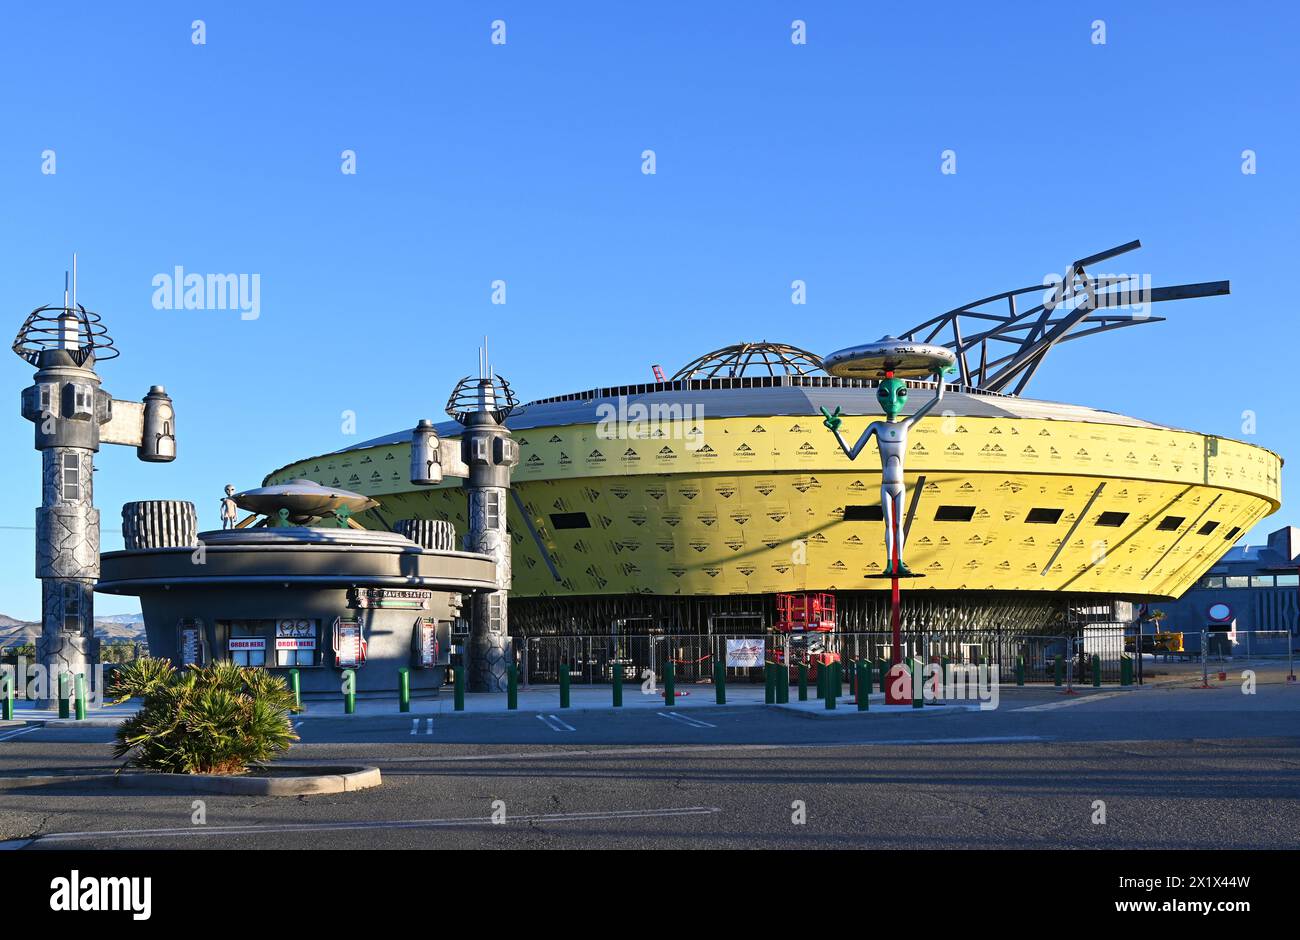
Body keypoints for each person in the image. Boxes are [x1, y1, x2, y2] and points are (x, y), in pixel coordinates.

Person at [821, 365, 949, 577]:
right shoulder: (876, 426)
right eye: (885, 394)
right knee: (890, 525)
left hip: (898, 485)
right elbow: (852, 453)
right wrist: (836, 432)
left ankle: (900, 562)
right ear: (879, 398)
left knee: (898, 525)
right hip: (887, 485)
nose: (892, 401)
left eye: (900, 394)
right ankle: (891, 564)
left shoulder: (906, 424)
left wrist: (941, 375)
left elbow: (937, 399)